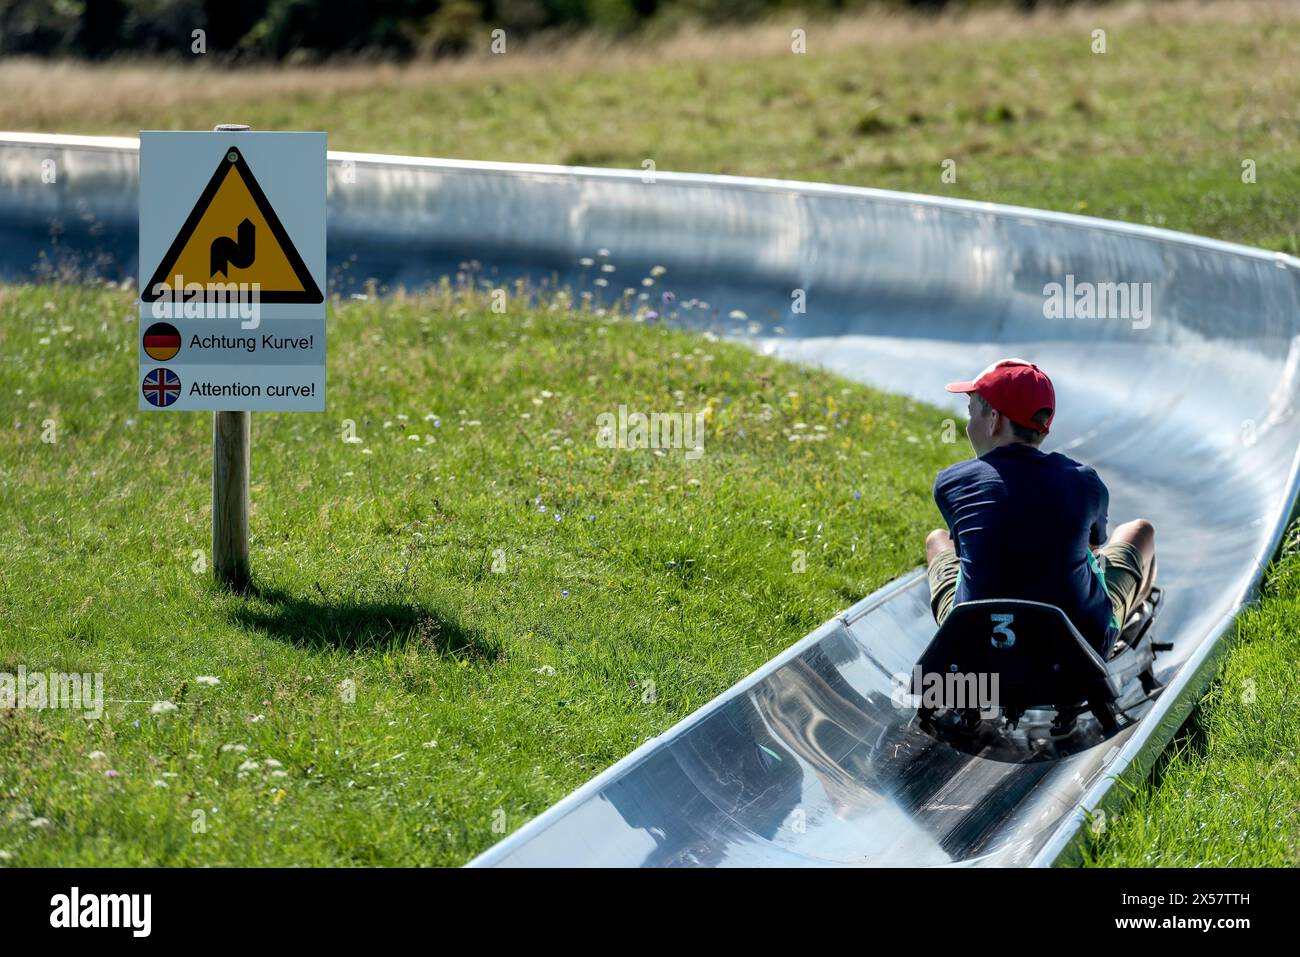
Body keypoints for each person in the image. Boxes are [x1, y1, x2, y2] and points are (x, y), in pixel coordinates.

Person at [925, 358, 1157, 657]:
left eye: (972, 415)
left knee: (937, 540)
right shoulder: (1085, 483)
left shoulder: (950, 483)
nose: (969, 427)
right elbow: (1094, 552)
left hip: (975, 644)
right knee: (1140, 531)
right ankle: (1128, 628)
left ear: (994, 419)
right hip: (1077, 649)